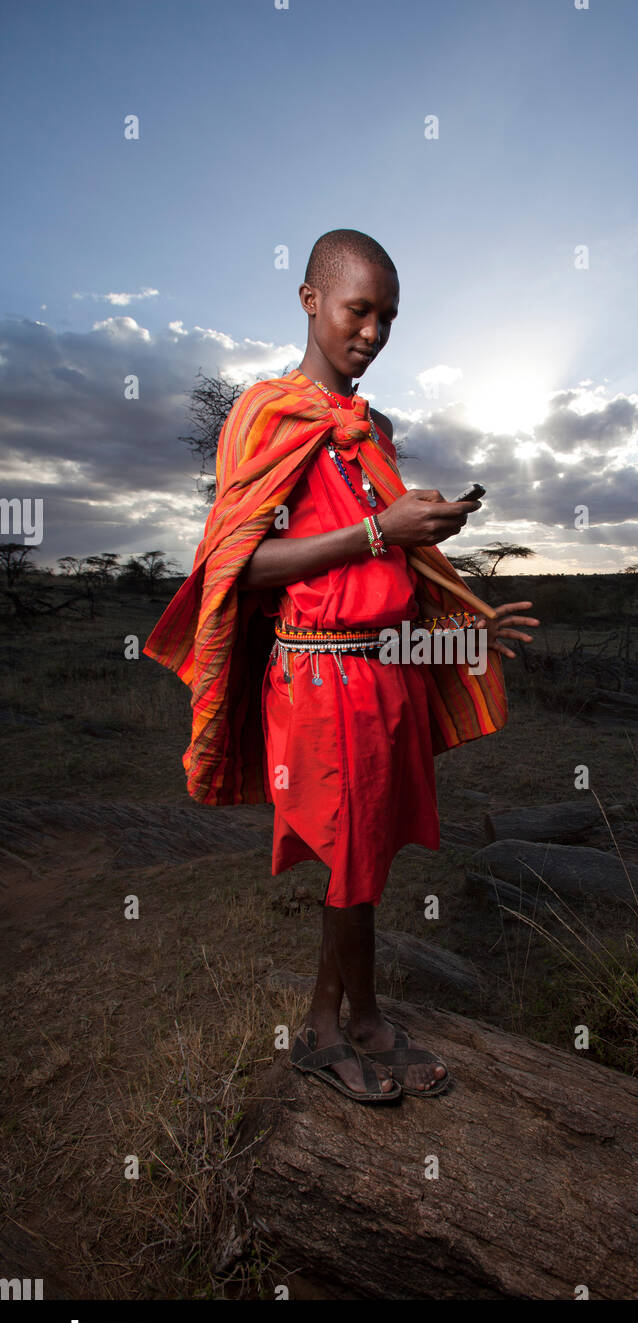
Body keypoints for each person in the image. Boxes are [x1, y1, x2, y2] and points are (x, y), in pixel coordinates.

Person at [145, 229, 539, 1104]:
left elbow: (390, 574)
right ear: (311, 300)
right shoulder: (264, 414)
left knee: (369, 857)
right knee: (352, 853)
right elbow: (239, 567)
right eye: (359, 309)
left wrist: (454, 619)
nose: (372, 331)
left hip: (387, 667)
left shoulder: (374, 430)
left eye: (388, 318)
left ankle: (345, 1024)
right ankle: (341, 1029)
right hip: (317, 677)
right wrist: (378, 530)